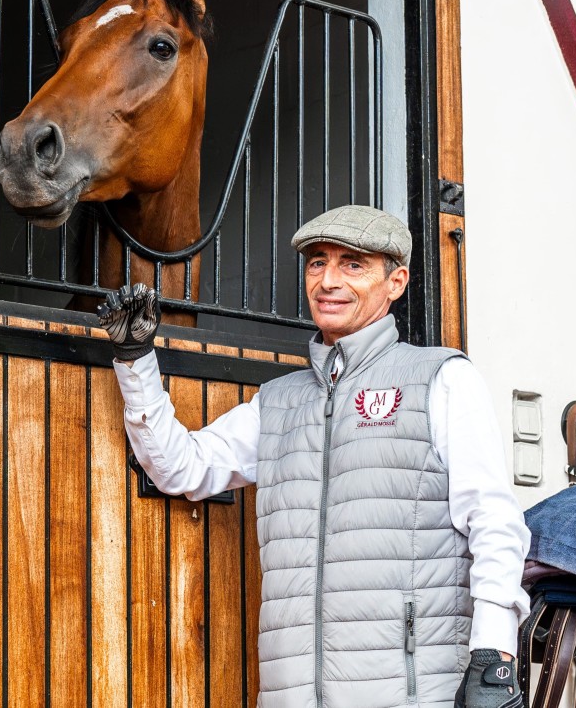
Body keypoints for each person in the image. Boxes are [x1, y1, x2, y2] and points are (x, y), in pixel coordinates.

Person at [99, 205, 530, 708]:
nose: (328, 280)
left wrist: (493, 654)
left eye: (353, 264)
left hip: (414, 694)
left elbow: (495, 522)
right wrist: (135, 361)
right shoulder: (277, 402)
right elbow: (182, 468)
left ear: (396, 281)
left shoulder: (443, 378)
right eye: (316, 263)